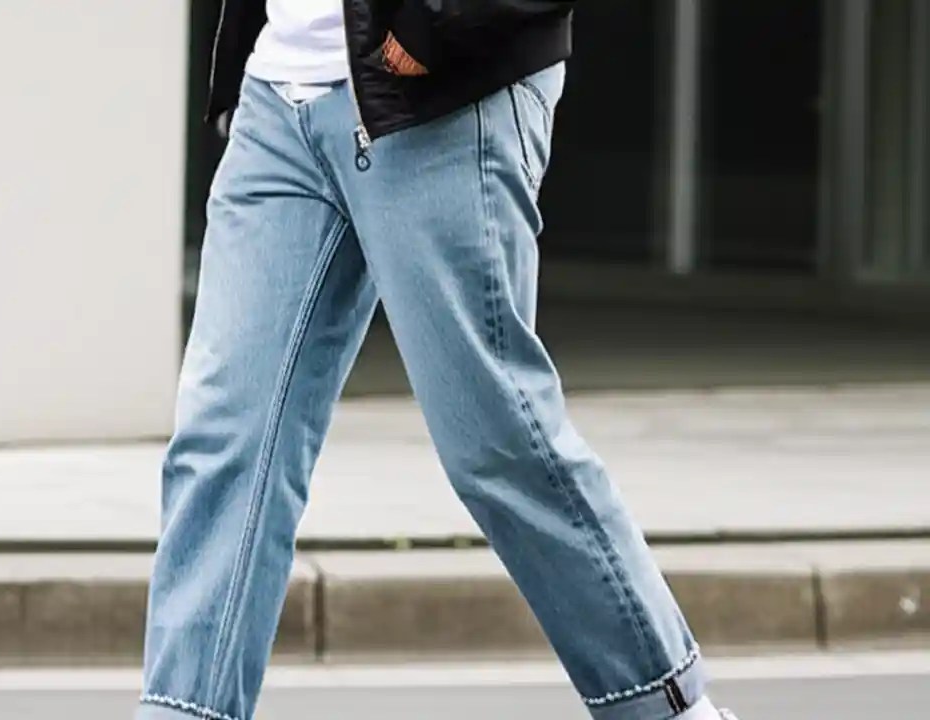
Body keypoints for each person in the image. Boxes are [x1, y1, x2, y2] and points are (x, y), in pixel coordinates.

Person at [138, 2, 737, 719]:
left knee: (495, 438)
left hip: (441, 93)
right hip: (280, 98)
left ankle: (665, 707)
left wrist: (426, 28)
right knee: (223, 441)